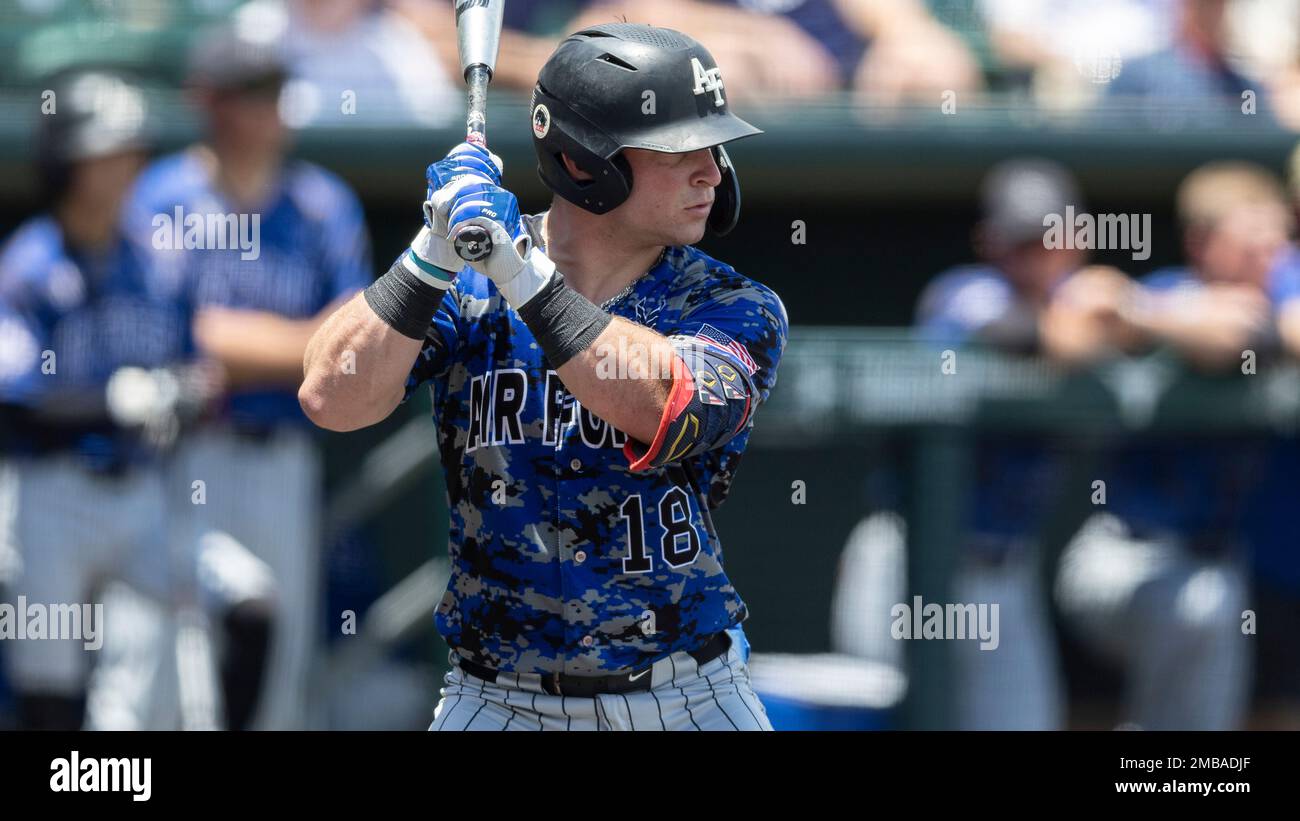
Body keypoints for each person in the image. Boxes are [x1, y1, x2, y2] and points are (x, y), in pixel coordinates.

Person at [300, 22, 788, 730]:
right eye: (680, 149)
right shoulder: (466, 282)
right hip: (496, 697)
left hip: (688, 694)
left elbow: (667, 403)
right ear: (585, 162)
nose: (711, 171)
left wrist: (523, 272)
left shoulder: (732, 303)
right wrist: (428, 254)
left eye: (712, 148)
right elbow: (331, 396)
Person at [125, 22, 374, 729]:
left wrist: (236, 342)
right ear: (209, 101)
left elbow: (350, 345)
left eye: (276, 90)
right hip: (176, 457)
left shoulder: (322, 203)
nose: (271, 108)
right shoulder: (162, 196)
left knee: (277, 675)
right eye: (252, 92)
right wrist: (301, 341)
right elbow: (174, 335)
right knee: (170, 676)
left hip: (281, 459)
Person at [833, 159, 1132, 729]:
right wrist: (1097, 313)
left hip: (1004, 572)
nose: (1039, 255)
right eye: (1023, 241)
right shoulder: (966, 293)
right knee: (888, 721)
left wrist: (1124, 311)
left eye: (1052, 238)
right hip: (911, 561)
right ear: (990, 243)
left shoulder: (1092, 303)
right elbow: (1026, 335)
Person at [0, 71, 204, 730]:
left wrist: (188, 392)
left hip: (142, 492)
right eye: (104, 155)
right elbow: (14, 402)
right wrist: (114, 401)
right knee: (49, 685)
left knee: (229, 618)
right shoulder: (29, 264)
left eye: (130, 155)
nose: (123, 170)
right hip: (50, 492)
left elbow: (192, 366)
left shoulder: (159, 262)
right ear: (66, 164)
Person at [1053, 161, 1281, 730]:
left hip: (1218, 564)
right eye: (1248, 243)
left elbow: (1239, 333)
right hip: (1123, 557)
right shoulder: (1168, 290)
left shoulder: (1271, 301)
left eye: (1273, 243)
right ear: (1201, 242)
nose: (1265, 257)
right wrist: (1152, 315)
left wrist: (1145, 316)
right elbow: (1082, 314)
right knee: (1201, 605)